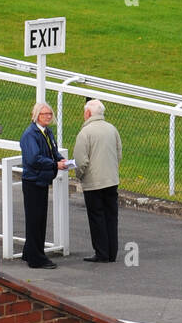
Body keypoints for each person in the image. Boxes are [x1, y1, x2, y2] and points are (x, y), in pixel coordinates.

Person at [73, 99, 122, 262]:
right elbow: (118, 154)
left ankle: (101, 252)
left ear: (87, 113)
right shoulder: (112, 129)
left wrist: (79, 176)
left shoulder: (85, 133)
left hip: (94, 182)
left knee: (96, 217)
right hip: (112, 180)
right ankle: (111, 252)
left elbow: (81, 161)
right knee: (111, 216)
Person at [19, 102, 66, 270]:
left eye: (49, 114)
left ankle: (29, 252)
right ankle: (36, 258)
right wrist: (55, 165)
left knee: (39, 219)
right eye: (44, 114)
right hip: (33, 182)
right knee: (35, 221)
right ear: (36, 115)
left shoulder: (47, 132)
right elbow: (34, 159)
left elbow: (53, 151)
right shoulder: (30, 134)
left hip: (42, 180)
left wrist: (60, 160)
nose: (48, 116)